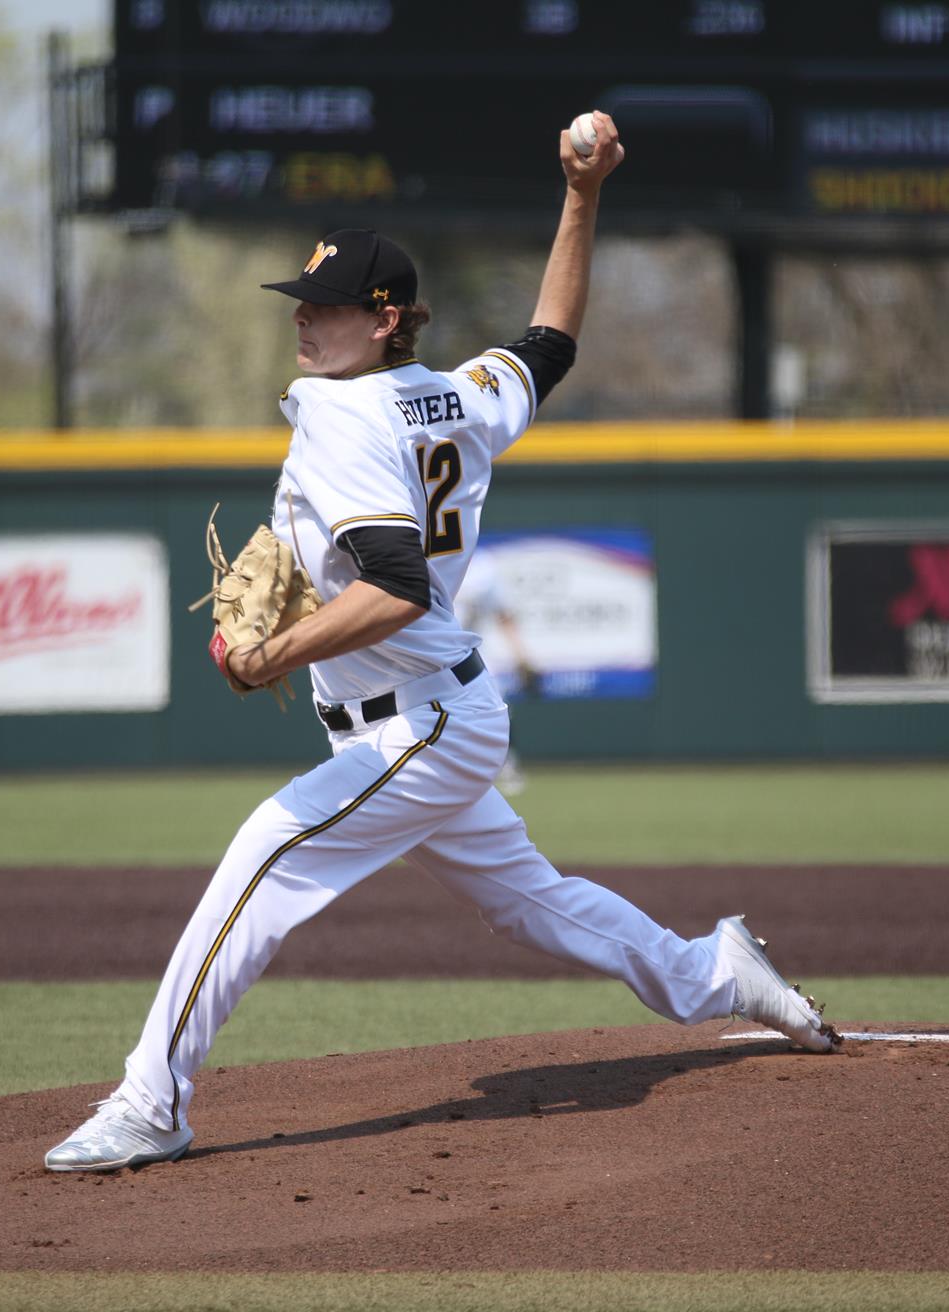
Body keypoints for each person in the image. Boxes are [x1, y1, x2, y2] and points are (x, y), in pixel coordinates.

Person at [44, 112, 838, 1174]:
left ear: (383, 319)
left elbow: (396, 587)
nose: (305, 320)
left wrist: (273, 655)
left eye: (326, 308)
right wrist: (581, 194)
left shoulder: (340, 418)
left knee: (263, 858)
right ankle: (715, 973)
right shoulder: (458, 392)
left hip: (412, 725)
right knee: (535, 904)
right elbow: (549, 341)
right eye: (300, 302)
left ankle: (152, 1102)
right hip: (437, 715)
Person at [453, 544, 536, 795]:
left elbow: (503, 614)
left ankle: (506, 766)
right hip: (426, 654)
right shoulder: (418, 555)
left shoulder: (481, 567)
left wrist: (522, 656)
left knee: (495, 705)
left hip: (469, 652)